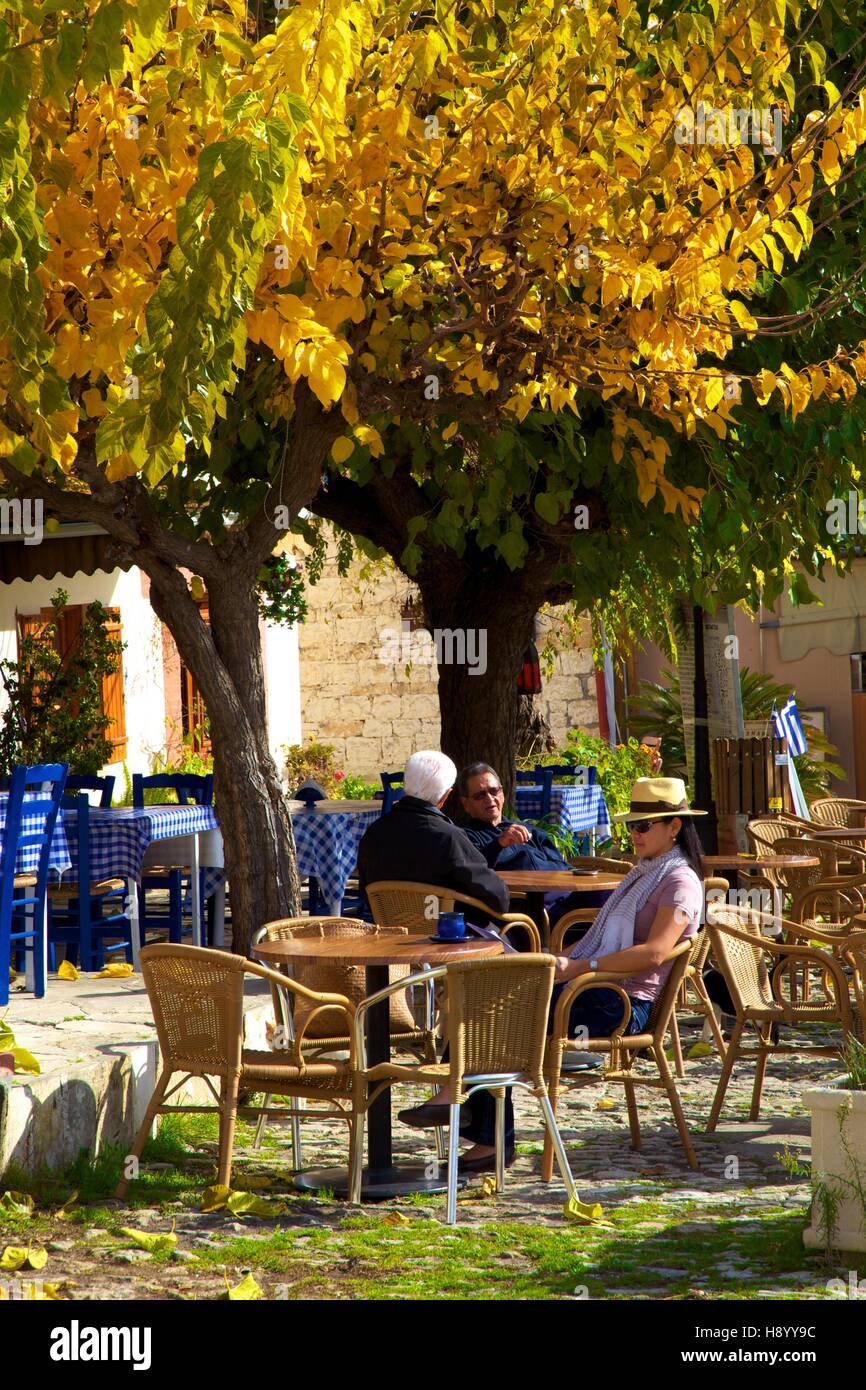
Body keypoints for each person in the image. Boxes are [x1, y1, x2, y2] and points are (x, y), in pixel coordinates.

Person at [407, 777, 706, 1173]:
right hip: (597, 987)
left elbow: (653, 953)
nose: (633, 833)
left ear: (674, 826)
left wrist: (580, 967)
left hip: (623, 1003)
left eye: (643, 825)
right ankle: (475, 1117)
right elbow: (595, 943)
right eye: (630, 825)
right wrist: (551, 959)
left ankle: (469, 1108)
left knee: (505, 1013)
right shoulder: (645, 871)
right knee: (492, 998)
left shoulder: (678, 881)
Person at [356, 750, 509, 918]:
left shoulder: (374, 832)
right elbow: (499, 898)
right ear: (445, 795)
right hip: (449, 937)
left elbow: (366, 893)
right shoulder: (449, 837)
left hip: (391, 934)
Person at [456, 762, 611, 926]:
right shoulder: (466, 836)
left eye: (494, 791)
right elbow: (474, 872)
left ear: (502, 793)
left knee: (616, 896)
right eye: (480, 795)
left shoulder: (530, 831)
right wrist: (499, 844)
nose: (490, 799)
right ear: (466, 803)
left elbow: (561, 865)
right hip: (530, 913)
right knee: (604, 912)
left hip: (564, 899)